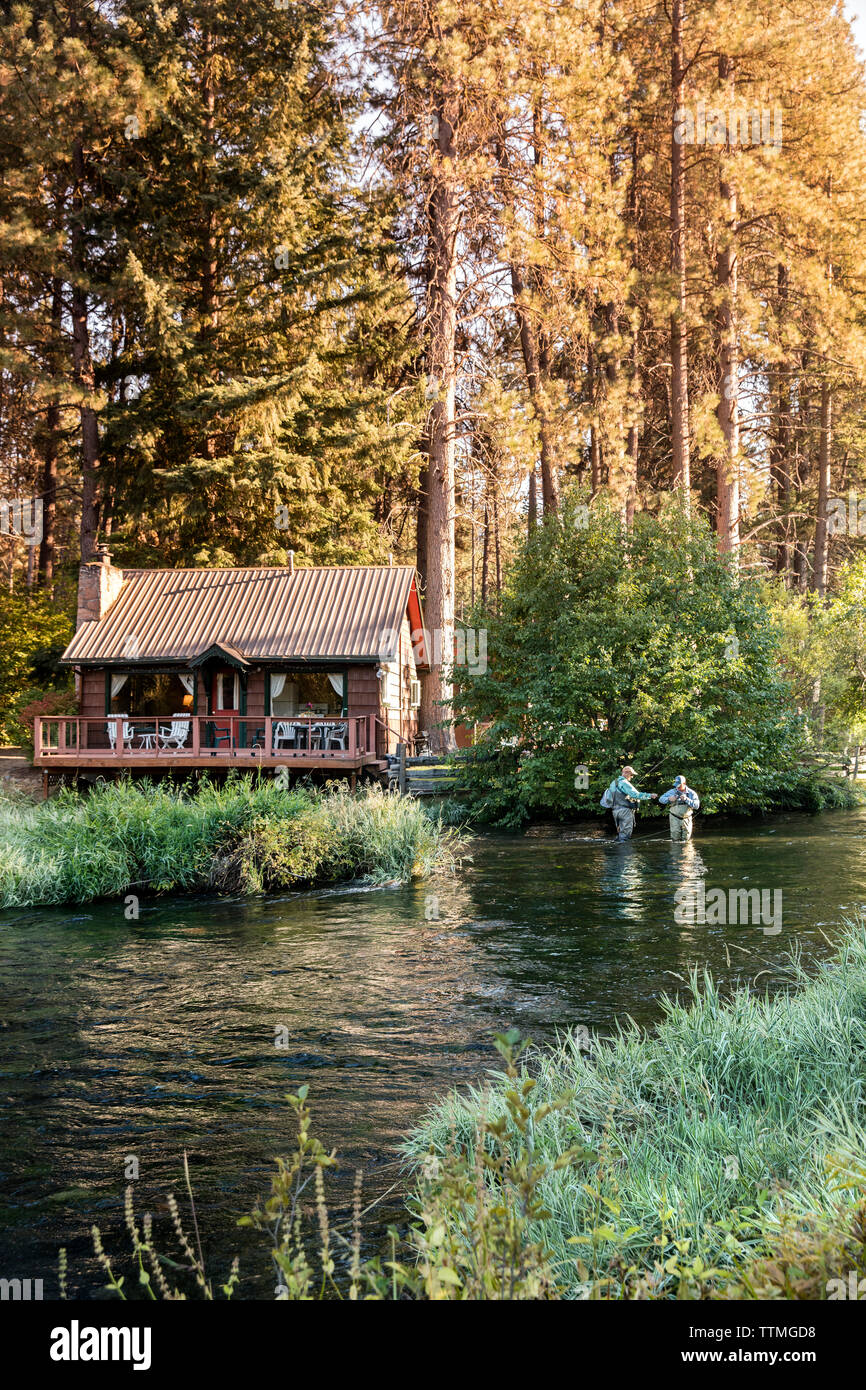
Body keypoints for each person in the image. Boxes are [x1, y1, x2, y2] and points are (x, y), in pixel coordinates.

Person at [609, 765, 657, 841]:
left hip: (615, 811)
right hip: (625, 811)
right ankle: (625, 851)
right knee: (625, 835)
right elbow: (635, 795)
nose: (632, 777)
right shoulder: (624, 783)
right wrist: (650, 795)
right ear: (626, 773)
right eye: (631, 775)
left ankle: (618, 849)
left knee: (620, 833)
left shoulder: (613, 783)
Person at [659, 775, 700, 841]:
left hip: (687, 818)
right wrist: (669, 799)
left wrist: (686, 799)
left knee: (686, 839)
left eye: (679, 785)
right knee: (675, 839)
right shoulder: (672, 791)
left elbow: (697, 805)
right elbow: (661, 799)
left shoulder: (691, 793)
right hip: (674, 817)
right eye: (676, 785)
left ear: (684, 783)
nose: (677, 787)